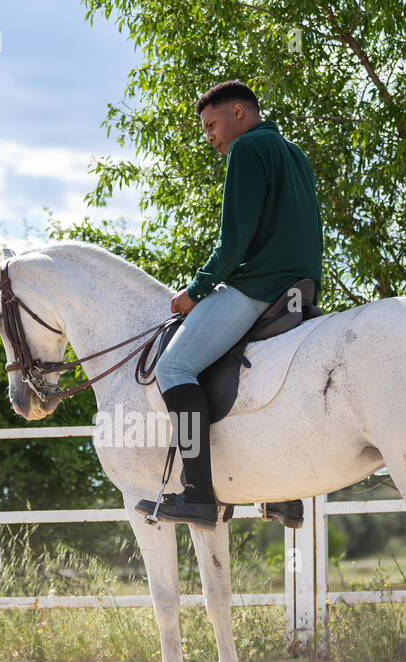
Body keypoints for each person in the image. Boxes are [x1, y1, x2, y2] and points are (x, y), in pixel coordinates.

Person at [136, 80, 324, 531]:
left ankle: (199, 494)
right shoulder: (293, 152)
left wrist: (195, 292)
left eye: (211, 125)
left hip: (260, 286)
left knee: (174, 368)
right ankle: (285, 495)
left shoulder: (247, 150)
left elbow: (233, 242)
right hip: (303, 287)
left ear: (238, 112)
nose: (210, 138)